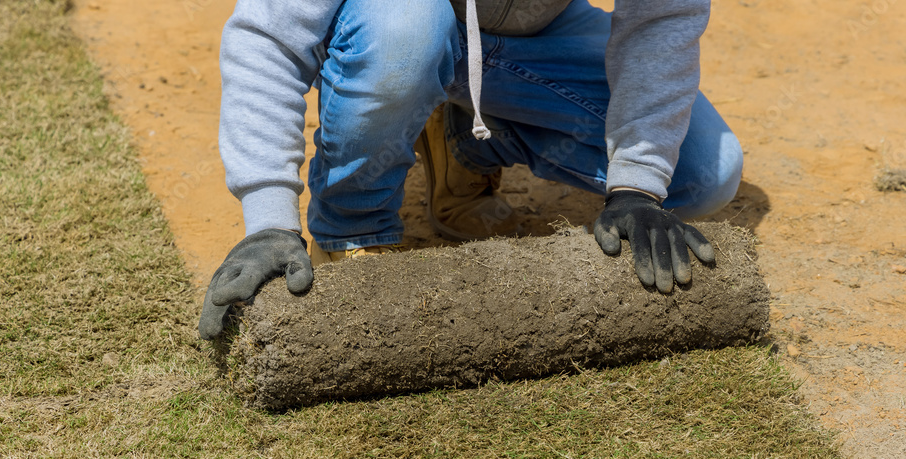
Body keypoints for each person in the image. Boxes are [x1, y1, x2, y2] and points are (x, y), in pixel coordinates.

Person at [199, 0, 743, 340]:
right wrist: (269, 217)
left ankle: (463, 143)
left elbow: (663, 17)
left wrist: (637, 185)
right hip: (394, 29)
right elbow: (268, 37)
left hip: (532, 41)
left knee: (702, 173)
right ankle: (351, 227)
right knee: (406, 32)